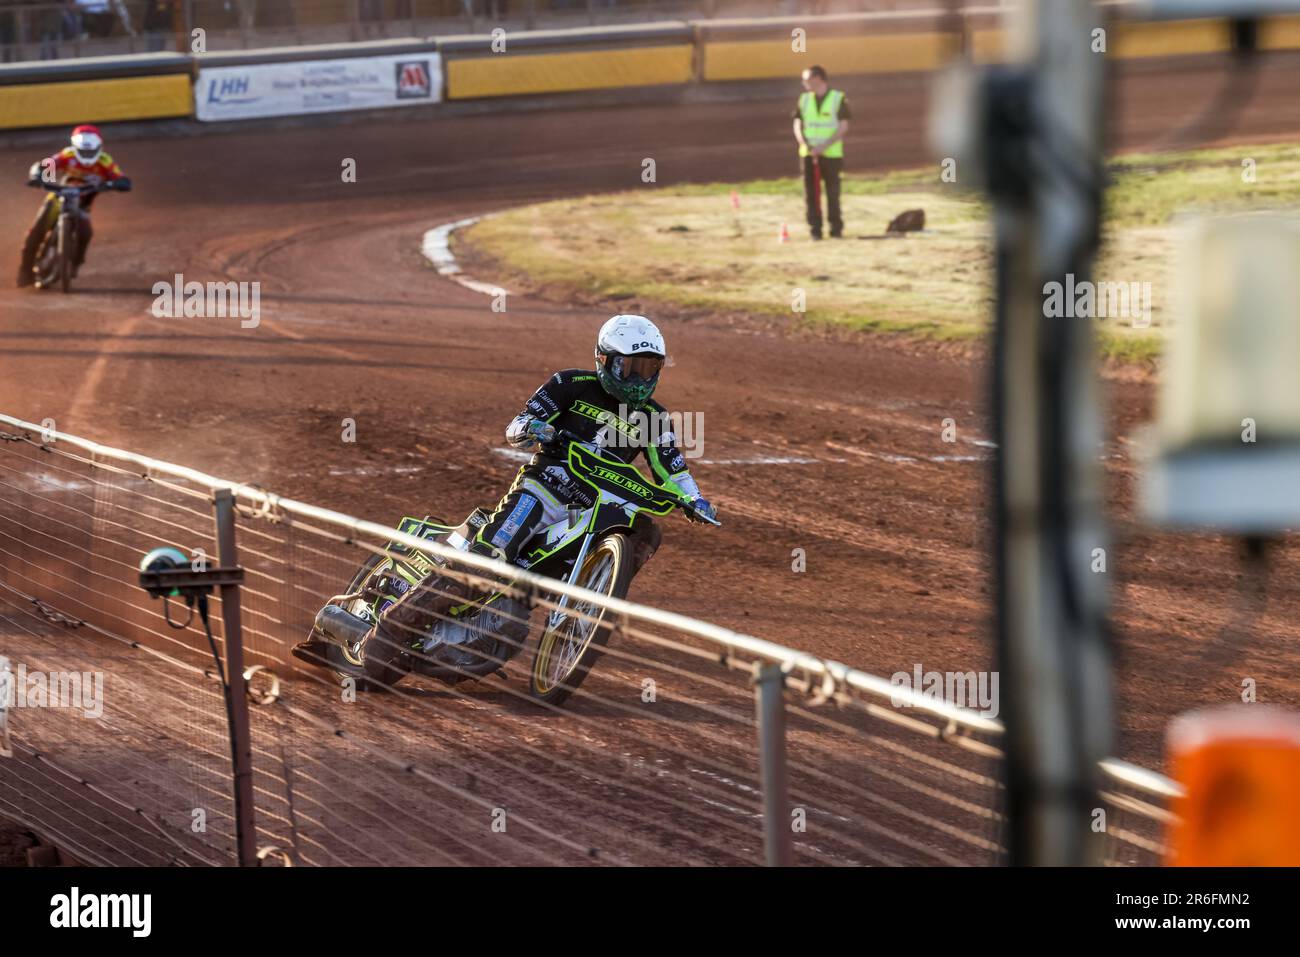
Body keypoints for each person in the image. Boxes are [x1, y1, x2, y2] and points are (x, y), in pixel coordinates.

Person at [371, 314, 717, 654]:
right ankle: (388, 631)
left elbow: (673, 470)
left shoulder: (655, 419)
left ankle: (586, 599)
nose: (640, 379)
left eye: (649, 368)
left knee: (644, 530)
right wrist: (534, 429)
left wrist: (695, 500)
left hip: (586, 512)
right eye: (630, 368)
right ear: (604, 360)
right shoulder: (570, 384)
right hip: (545, 489)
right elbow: (518, 424)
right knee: (491, 555)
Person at [16, 125, 131, 287]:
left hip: (83, 204)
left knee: (86, 234)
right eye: (83, 152)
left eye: (91, 152)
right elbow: (44, 166)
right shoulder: (66, 155)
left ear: (99, 148)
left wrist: (116, 183)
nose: (87, 156)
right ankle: (25, 270)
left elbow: (122, 179)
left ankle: (75, 263)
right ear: (74, 147)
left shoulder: (105, 162)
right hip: (59, 197)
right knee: (37, 230)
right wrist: (38, 176)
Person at [792, 64, 851, 240]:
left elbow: (843, 126)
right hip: (809, 155)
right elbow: (797, 125)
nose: (804, 83)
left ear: (818, 79)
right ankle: (815, 231)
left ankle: (836, 230)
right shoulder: (803, 100)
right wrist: (807, 145)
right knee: (811, 194)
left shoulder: (837, 98)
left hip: (831, 154)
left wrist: (824, 146)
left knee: (833, 193)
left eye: (807, 79)